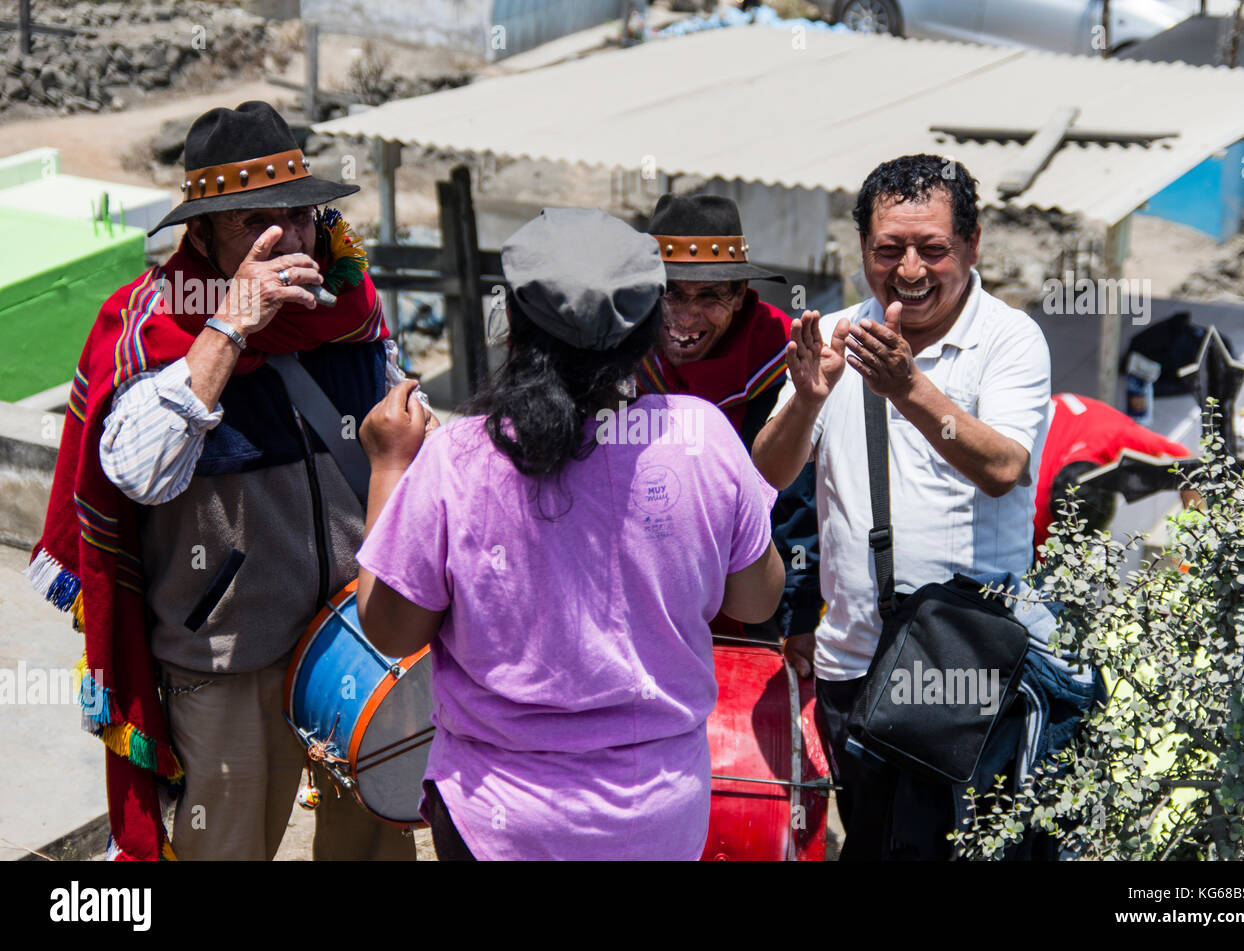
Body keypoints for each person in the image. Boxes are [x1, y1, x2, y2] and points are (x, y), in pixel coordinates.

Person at [28, 101, 418, 861]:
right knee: (228, 847)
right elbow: (136, 472)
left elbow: (398, 420)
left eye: (302, 217)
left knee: (372, 843)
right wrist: (230, 328)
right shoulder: (151, 326)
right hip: (229, 657)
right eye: (256, 223)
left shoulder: (349, 309)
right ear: (199, 234)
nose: (290, 241)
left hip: (356, 640)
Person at [354, 207, 785, 860]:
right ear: (645, 329)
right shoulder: (703, 436)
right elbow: (756, 600)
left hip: (497, 819)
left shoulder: (459, 457)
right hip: (659, 817)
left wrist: (388, 464)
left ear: (517, 330)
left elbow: (390, 629)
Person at [751, 154, 1052, 860]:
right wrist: (811, 400)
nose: (909, 269)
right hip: (853, 666)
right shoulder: (832, 340)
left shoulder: (1009, 339)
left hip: (965, 665)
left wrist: (907, 386)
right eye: (889, 250)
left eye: (932, 248)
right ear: (862, 249)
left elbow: (1003, 467)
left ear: (973, 247)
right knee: (873, 842)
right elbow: (767, 472)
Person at [637, 194, 822, 649]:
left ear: (740, 294)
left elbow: (799, 499)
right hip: (645, 599)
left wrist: (797, 623)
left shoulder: (788, 360)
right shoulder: (625, 352)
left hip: (757, 600)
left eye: (709, 296)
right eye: (670, 292)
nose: (684, 316)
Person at [1035, 392, 1193, 556]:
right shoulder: (1036, 512)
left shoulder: (1113, 433)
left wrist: (1190, 537)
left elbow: (1189, 466)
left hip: (1082, 414)